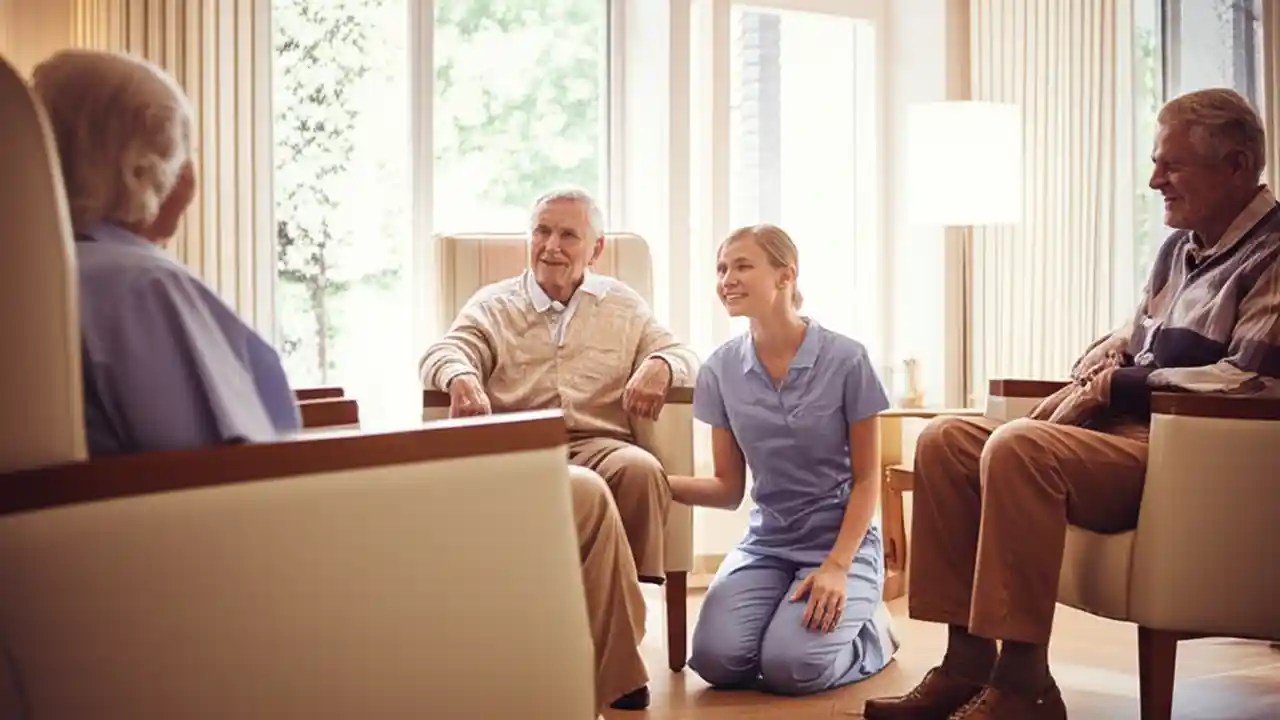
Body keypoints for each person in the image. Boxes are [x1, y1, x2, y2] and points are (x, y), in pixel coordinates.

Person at [34, 50, 646, 717]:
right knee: (579, 498)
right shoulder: (139, 286)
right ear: (147, 171)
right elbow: (228, 476)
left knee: (599, 481)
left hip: (234, 524)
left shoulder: (58, 274)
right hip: (280, 547)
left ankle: (604, 678)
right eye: (185, 153)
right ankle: (593, 687)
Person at [864, 88, 1279, 719]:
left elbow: (1251, 380)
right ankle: (964, 665)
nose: (1154, 180)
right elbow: (1140, 336)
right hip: (1123, 435)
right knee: (945, 440)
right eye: (1154, 162)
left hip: (1185, 460)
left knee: (1021, 446)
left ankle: (1024, 681)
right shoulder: (1180, 247)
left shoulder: (1274, 252)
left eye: (1171, 165)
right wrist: (1108, 355)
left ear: (1237, 165)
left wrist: (1120, 386)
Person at [419, 188, 700, 586]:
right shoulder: (494, 304)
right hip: (519, 445)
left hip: (602, 446)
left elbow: (684, 355)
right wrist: (460, 377)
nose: (551, 246)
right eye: (541, 232)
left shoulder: (622, 303)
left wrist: (661, 363)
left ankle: (629, 604)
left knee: (640, 470)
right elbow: (444, 351)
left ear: (596, 248)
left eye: (568, 235)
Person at [668, 224, 897, 696]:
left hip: (840, 544)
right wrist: (650, 480)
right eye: (722, 268)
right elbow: (727, 489)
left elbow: (868, 480)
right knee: (716, 661)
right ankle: (792, 621)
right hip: (767, 545)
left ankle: (872, 630)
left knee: (790, 669)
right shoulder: (720, 370)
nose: (726, 278)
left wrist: (836, 566)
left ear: (785, 275)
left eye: (743, 266)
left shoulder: (848, 360)